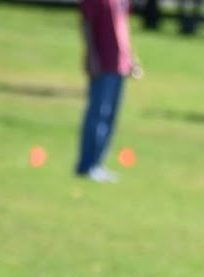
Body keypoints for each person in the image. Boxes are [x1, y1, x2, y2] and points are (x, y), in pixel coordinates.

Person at [77, 0, 139, 182]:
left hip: (120, 65)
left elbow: (123, 28)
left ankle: (98, 164)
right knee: (97, 115)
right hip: (103, 63)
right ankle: (87, 165)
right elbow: (86, 23)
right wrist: (91, 54)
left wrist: (131, 58)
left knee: (110, 118)